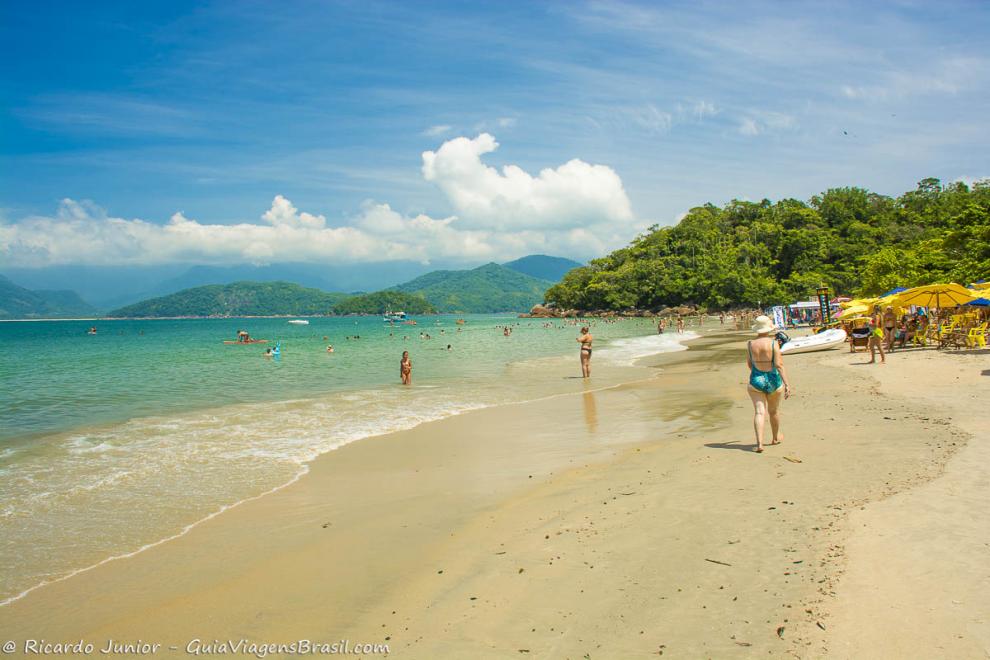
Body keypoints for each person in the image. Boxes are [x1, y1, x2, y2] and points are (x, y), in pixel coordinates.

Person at [746, 315, 791, 453]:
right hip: (773, 380)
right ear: (769, 328)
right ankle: (775, 437)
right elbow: (779, 365)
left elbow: (749, 364)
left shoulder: (750, 344)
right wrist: (787, 384)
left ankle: (759, 443)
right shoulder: (773, 343)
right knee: (774, 411)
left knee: (759, 412)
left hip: (756, 380)